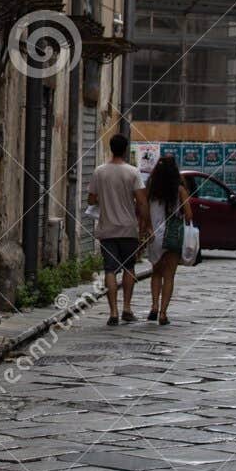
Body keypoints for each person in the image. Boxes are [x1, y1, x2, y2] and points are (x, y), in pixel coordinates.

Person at [88, 134, 150, 327]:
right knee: (129, 269)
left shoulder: (100, 172)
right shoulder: (132, 172)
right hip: (128, 229)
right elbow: (141, 201)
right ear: (124, 150)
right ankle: (127, 308)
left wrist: (105, 200)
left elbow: (91, 199)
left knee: (109, 270)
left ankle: (113, 312)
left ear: (111, 148)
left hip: (107, 229)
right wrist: (145, 226)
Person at [146, 154, 193, 326]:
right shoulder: (179, 190)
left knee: (156, 273)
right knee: (169, 276)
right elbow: (189, 215)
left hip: (154, 236)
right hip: (173, 235)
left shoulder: (151, 188)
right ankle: (163, 314)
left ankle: (154, 305)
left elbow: (143, 210)